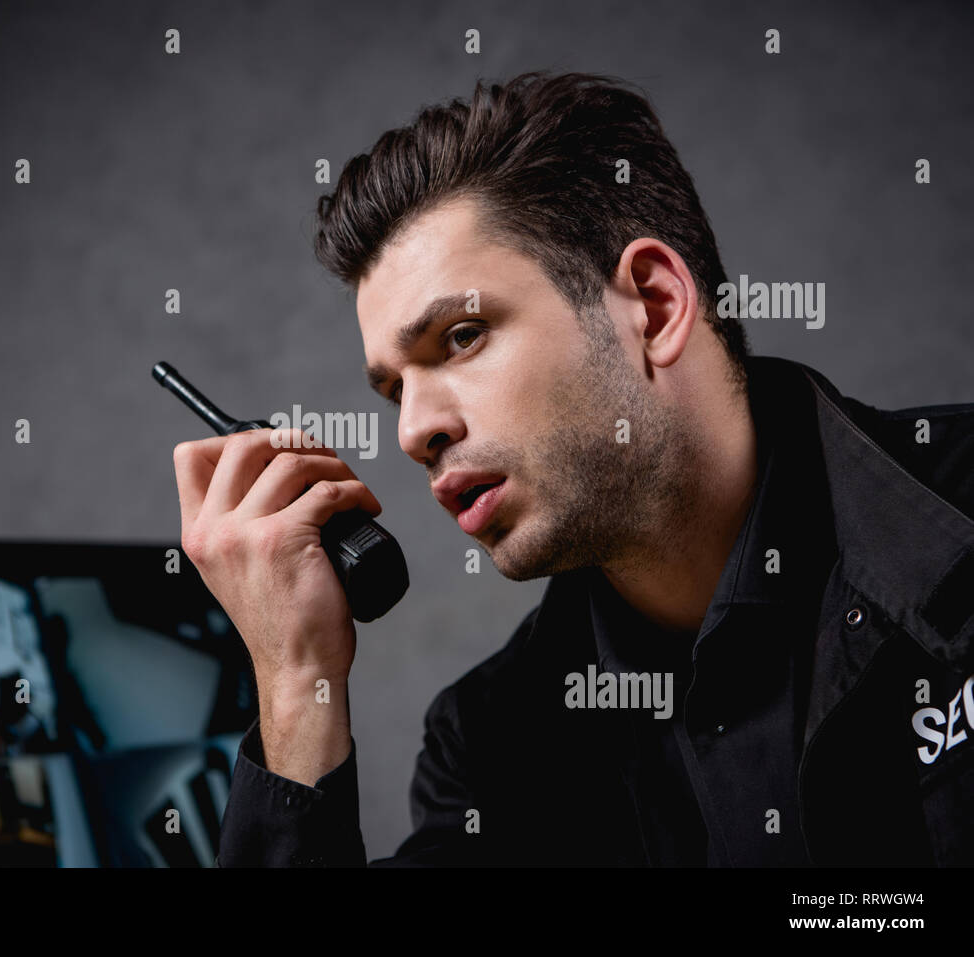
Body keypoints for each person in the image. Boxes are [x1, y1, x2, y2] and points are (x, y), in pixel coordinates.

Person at [169, 71, 974, 866]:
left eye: (461, 336)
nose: (414, 429)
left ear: (654, 308)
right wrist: (296, 680)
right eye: (392, 390)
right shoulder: (491, 752)